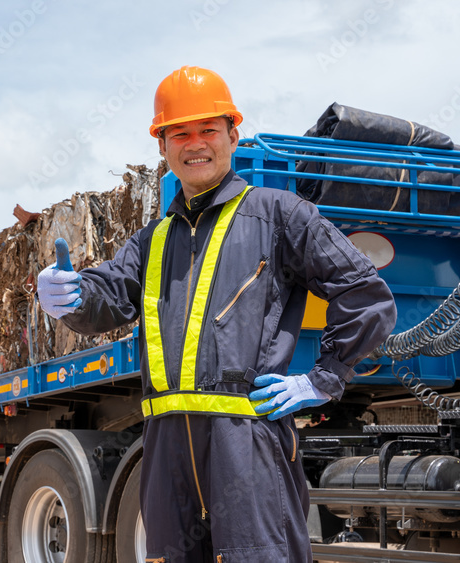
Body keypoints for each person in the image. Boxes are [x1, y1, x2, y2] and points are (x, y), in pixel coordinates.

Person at [37, 66, 396, 562]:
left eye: (208, 129)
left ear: (233, 134)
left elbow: (365, 293)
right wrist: (72, 296)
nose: (195, 143)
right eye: (180, 132)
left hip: (247, 444)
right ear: (163, 147)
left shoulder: (279, 215)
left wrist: (322, 378)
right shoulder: (152, 241)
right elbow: (108, 296)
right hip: (166, 448)